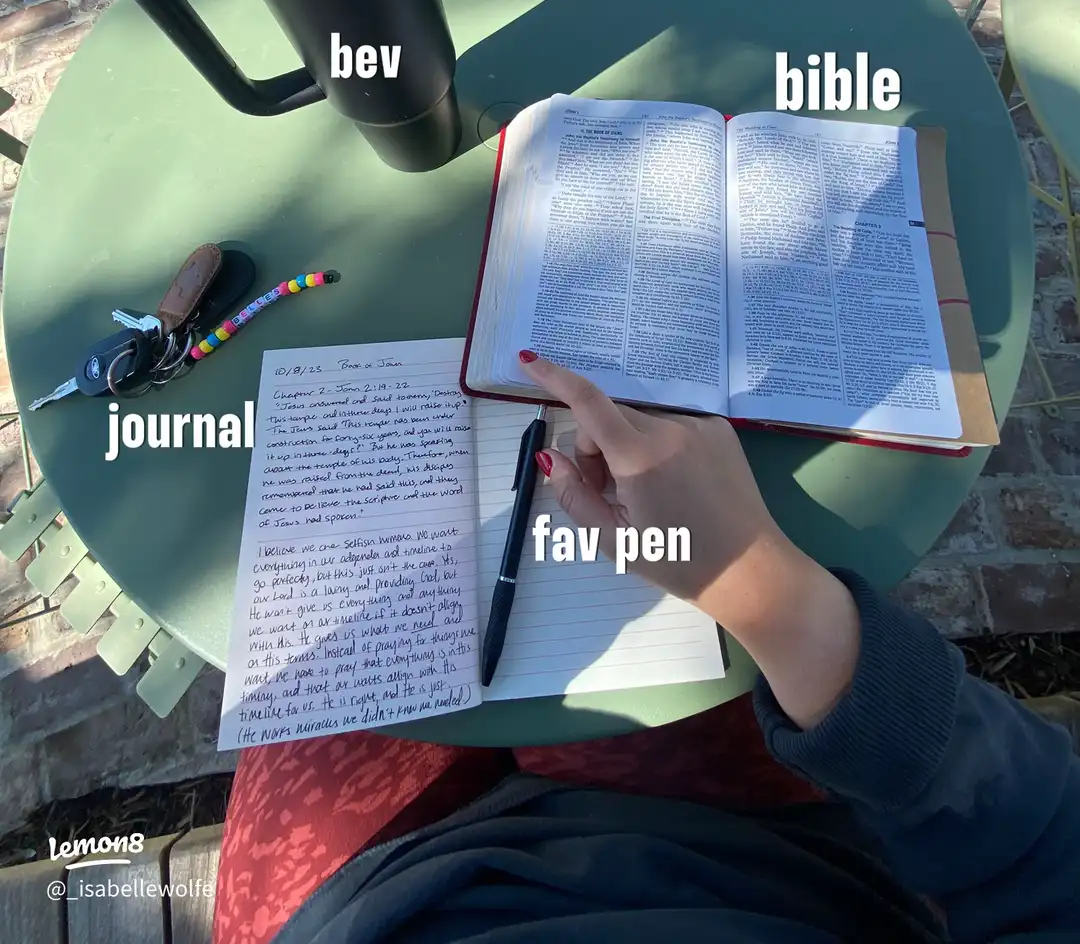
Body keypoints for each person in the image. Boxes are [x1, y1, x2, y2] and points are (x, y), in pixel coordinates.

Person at [213, 352, 1080, 944]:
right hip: (753, 872)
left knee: (321, 658)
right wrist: (760, 585)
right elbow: (1049, 856)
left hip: (370, 904)